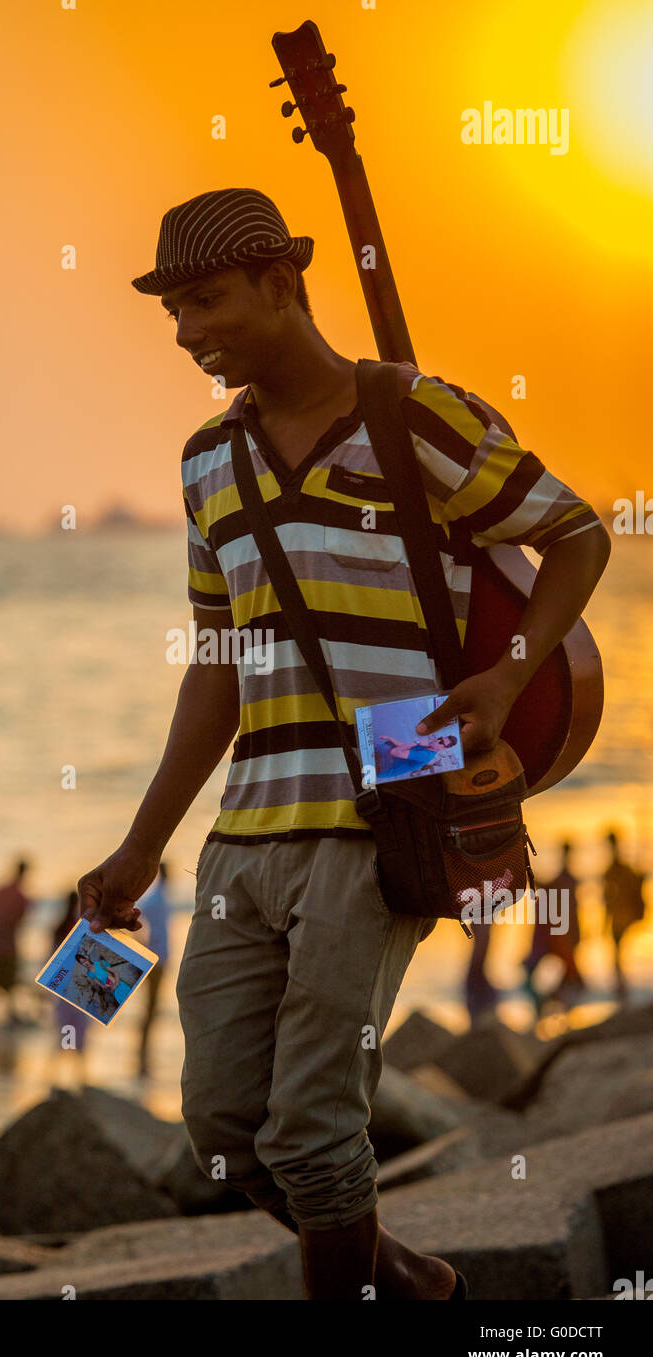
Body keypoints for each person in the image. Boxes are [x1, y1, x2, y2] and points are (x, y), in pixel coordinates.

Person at [76, 188, 611, 1300]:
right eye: (172, 311)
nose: (185, 332)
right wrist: (138, 848)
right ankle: (407, 1281)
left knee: (314, 1131)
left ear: (280, 285)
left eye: (205, 301)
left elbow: (571, 532)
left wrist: (510, 670)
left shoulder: (416, 415)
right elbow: (216, 664)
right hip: (242, 827)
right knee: (222, 1122)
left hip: (386, 804)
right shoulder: (205, 462)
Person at [521, 840, 585, 1016]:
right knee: (571, 978)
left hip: (561, 937)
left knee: (571, 978)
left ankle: (551, 1005)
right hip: (560, 936)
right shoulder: (567, 881)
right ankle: (551, 1005)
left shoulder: (565, 881)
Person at [0, 858, 31, 1025]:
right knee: (8, 979)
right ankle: (6, 1014)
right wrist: (7, 925)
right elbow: (21, 919)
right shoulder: (21, 896)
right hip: (9, 944)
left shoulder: (1, 891)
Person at [134, 862, 171, 1078]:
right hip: (155, 960)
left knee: (152, 1008)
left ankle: (145, 1052)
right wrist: (141, 944)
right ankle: (142, 1053)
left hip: (160, 958)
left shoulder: (163, 895)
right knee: (150, 1008)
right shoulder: (156, 896)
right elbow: (138, 914)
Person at [602, 830, 647, 1001]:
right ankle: (623, 989)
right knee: (618, 953)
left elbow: (609, 898)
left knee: (618, 953)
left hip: (621, 916)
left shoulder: (615, 870)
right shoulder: (618, 869)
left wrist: (606, 920)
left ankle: (622, 990)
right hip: (623, 916)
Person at [50, 889, 90, 1067]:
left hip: (62, 986)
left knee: (63, 1029)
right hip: (79, 986)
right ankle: (79, 1075)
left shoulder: (58, 927)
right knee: (80, 1031)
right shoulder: (80, 926)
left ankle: (56, 1073)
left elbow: (50, 959)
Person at [377, 733, 457, 780]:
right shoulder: (427, 746)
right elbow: (404, 746)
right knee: (388, 743)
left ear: (443, 748)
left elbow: (393, 752)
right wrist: (389, 738)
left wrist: (416, 742)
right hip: (393, 760)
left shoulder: (425, 755)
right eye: (440, 738)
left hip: (388, 767)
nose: (437, 741)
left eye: (441, 742)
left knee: (385, 748)